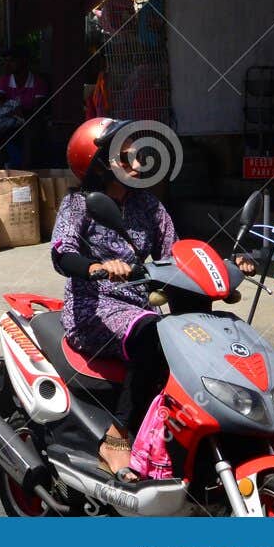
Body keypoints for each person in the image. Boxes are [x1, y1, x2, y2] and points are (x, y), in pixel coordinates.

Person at [50, 118, 254, 480]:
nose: (136, 162)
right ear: (98, 162)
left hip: (140, 303)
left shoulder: (148, 204)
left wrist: (225, 265)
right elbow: (63, 253)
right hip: (95, 307)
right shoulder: (78, 204)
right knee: (153, 337)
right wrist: (97, 266)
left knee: (197, 341)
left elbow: (175, 254)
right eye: (123, 156)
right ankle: (116, 439)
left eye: (135, 154)